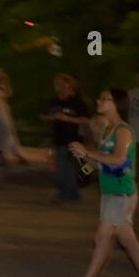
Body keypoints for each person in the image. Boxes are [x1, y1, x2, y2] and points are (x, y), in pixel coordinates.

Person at [58, 88, 139, 277]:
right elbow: (103, 163)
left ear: (117, 104)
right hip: (110, 192)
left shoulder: (123, 131)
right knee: (125, 241)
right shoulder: (107, 130)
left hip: (120, 193)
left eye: (105, 99)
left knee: (104, 237)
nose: (99, 101)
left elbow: (118, 159)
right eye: (101, 97)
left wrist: (88, 153)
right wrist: (85, 159)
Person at [44, 74, 91, 204]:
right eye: (56, 84)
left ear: (68, 85)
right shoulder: (54, 101)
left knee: (65, 167)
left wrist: (68, 119)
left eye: (60, 83)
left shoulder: (77, 102)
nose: (57, 86)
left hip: (72, 139)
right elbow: (44, 116)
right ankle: (73, 194)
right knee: (64, 167)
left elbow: (86, 119)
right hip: (57, 138)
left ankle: (64, 194)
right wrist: (53, 117)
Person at [0, 65, 24, 166]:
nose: (0, 74)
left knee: (8, 133)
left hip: (4, 110)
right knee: (0, 133)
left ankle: (8, 155)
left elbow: (8, 93)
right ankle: (1, 156)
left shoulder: (0, 84)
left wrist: (6, 80)